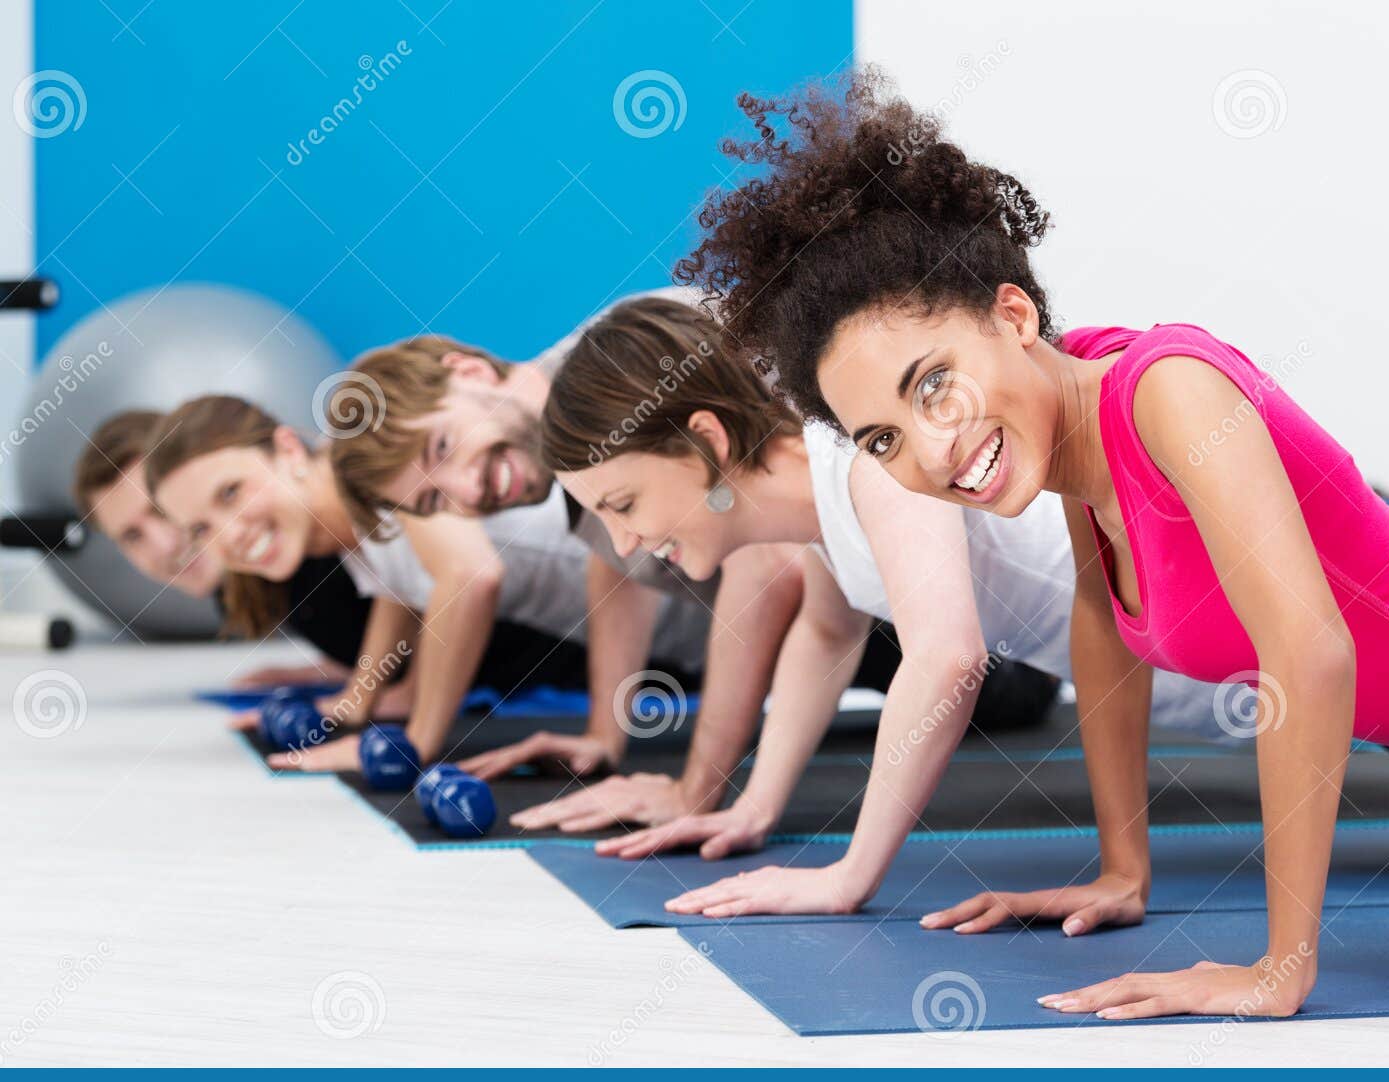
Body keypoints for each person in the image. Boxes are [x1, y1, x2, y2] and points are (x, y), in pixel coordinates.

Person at [666, 72, 1389, 1019]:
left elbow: (1310, 653)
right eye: (881, 441)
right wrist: (1122, 870)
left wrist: (1281, 969)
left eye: (933, 383)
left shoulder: (1168, 390)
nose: (930, 449)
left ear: (1015, 317)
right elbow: (1102, 629)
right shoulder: (1081, 435)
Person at [323, 305, 1065, 835]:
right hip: (862, 593)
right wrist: (605, 734)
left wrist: (699, 788)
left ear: (466, 371)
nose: (464, 495)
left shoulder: (630, 362)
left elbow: (768, 556)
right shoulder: (578, 461)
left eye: (443, 451)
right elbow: (612, 573)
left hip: (977, 621)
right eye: (431, 499)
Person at [142, 395, 706, 772]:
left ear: (289, 450)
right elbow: (406, 590)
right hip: (681, 624)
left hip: (709, 600)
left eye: (232, 493)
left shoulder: (372, 466)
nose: (231, 536)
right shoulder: (350, 524)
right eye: (201, 529)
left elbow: (470, 576)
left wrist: (416, 743)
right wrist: (351, 707)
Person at [73, 409, 359, 689]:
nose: (165, 546)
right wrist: (347, 668)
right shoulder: (244, 590)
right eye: (132, 536)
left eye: (161, 511)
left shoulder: (315, 542)